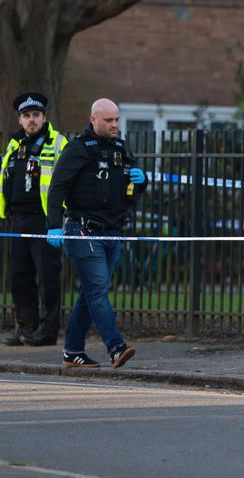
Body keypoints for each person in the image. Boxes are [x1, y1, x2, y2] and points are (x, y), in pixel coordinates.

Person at [46, 98, 147, 369]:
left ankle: (72, 352)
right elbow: (56, 187)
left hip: (112, 232)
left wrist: (141, 181)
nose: (115, 125)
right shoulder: (78, 149)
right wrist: (53, 225)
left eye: (116, 119)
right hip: (83, 230)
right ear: (93, 120)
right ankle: (116, 348)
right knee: (98, 290)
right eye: (108, 120)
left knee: (91, 291)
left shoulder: (120, 148)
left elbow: (130, 189)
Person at [1, 93, 68, 346]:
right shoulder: (15, 144)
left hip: (45, 220)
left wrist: (58, 219)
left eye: (36, 115)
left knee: (48, 275)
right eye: (27, 116)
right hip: (18, 218)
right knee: (20, 275)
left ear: (44, 117)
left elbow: (66, 181)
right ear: (20, 119)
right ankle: (26, 328)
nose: (32, 120)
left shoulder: (57, 142)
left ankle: (48, 330)